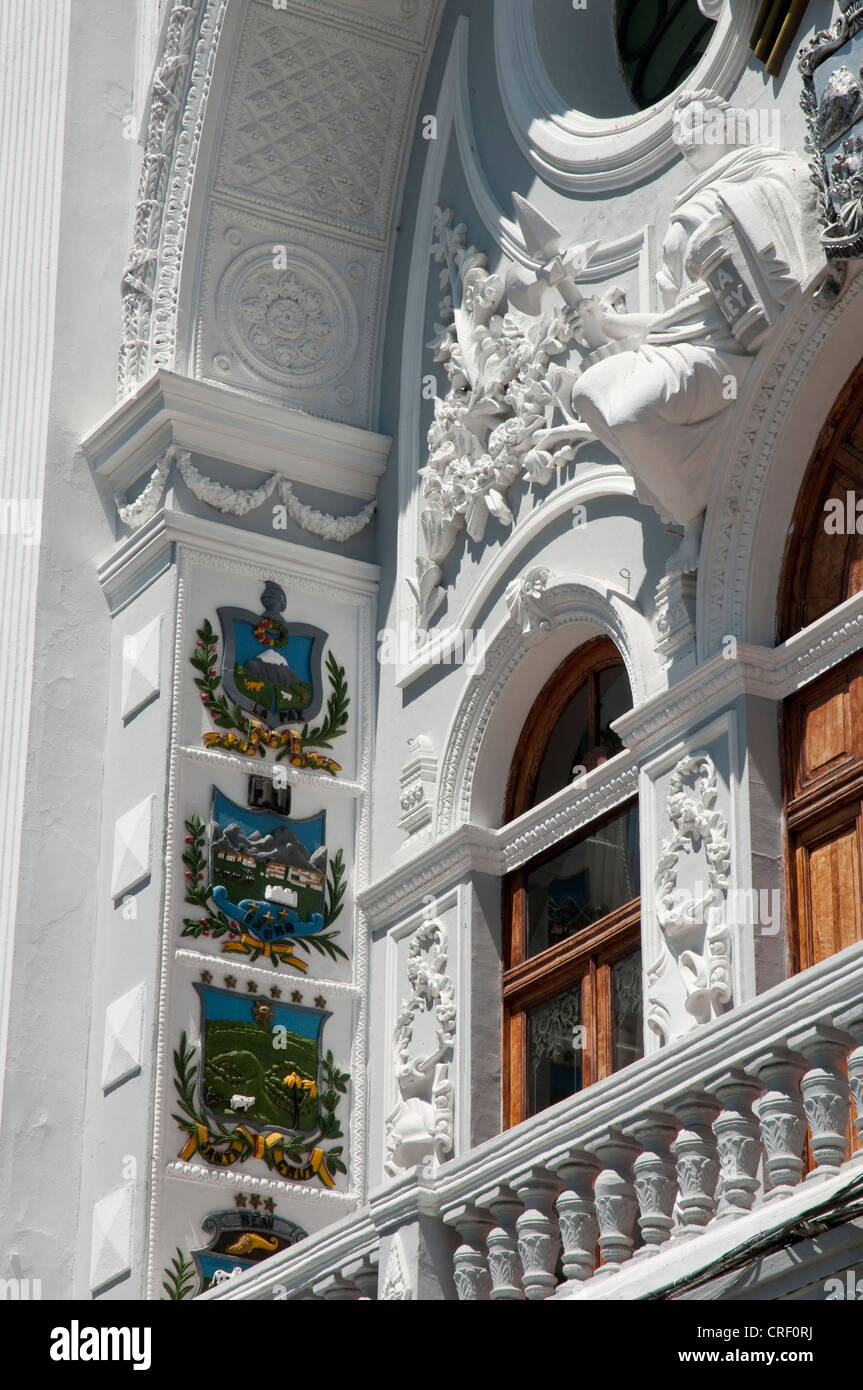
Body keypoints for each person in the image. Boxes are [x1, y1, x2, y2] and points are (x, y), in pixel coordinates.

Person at [570, 89, 821, 573]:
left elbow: (800, 203)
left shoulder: (761, 168)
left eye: (695, 123)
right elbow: (675, 315)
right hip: (684, 340)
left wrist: (741, 208)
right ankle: (693, 502)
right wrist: (612, 323)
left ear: (726, 125)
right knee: (588, 390)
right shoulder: (688, 203)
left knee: (629, 411)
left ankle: (694, 514)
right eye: (678, 129)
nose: (683, 136)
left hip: (736, 348)